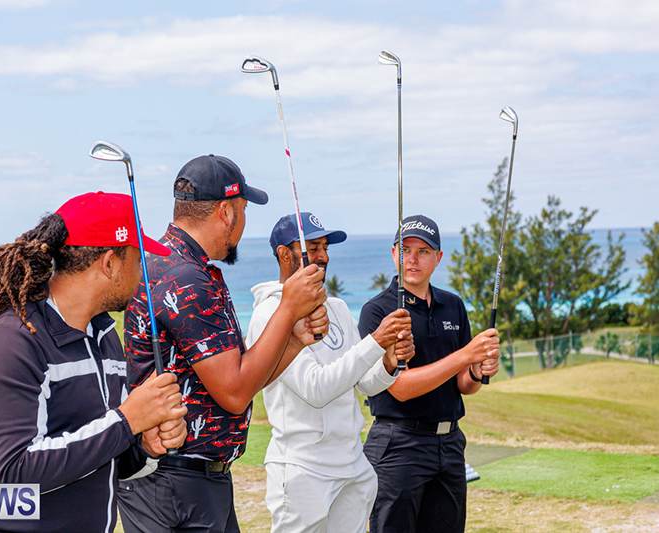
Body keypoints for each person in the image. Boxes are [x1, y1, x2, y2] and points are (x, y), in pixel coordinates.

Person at [117, 155, 329, 533]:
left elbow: (239, 375)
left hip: (194, 480)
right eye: (245, 210)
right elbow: (234, 393)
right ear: (227, 212)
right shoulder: (187, 278)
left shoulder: (183, 265)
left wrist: (293, 342)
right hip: (176, 484)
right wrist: (288, 307)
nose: (244, 223)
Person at [0, 191, 188, 533]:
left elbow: (101, 458)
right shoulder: (10, 342)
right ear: (109, 263)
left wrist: (144, 446)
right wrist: (127, 421)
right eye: (138, 259)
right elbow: (15, 473)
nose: (143, 274)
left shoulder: (104, 335)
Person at [245, 212, 416, 533]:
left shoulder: (336, 307)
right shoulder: (269, 314)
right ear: (284, 254)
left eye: (325, 246)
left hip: (351, 465)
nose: (322, 256)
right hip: (302, 469)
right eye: (312, 246)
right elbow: (316, 389)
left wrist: (388, 361)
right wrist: (376, 340)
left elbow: (365, 384)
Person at [359, 214, 501, 533]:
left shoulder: (453, 305)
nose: (413, 258)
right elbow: (401, 388)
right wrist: (466, 355)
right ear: (394, 254)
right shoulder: (379, 311)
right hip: (399, 444)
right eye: (406, 249)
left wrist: (477, 370)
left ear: (437, 258)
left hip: (450, 443)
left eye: (423, 251)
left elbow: (463, 385)